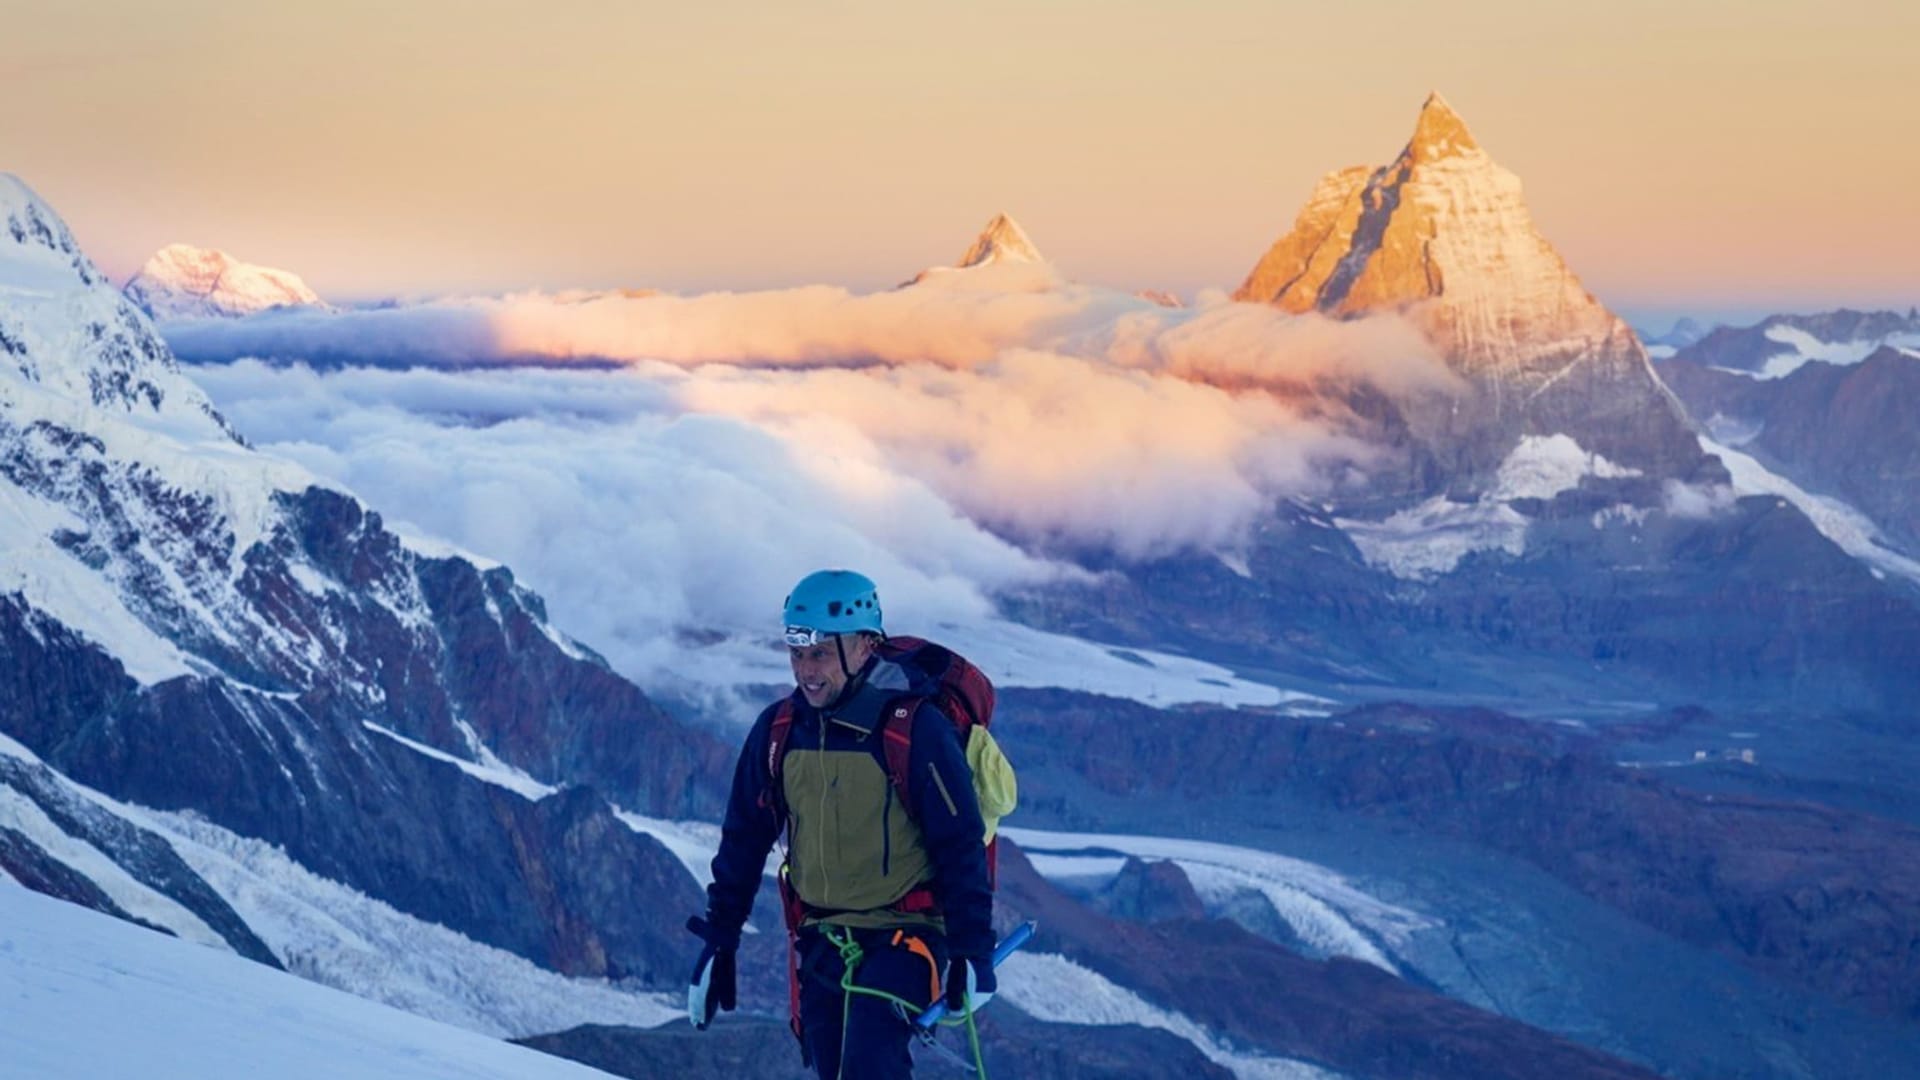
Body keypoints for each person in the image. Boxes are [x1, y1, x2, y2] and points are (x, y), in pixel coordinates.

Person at [687, 569, 996, 1079]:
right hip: (822, 938)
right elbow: (745, 837)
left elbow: (958, 843)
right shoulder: (779, 731)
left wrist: (971, 949)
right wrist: (720, 938)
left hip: (906, 935)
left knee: (869, 1068)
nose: (806, 670)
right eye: (796, 653)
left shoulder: (915, 729)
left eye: (820, 654)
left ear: (865, 646)